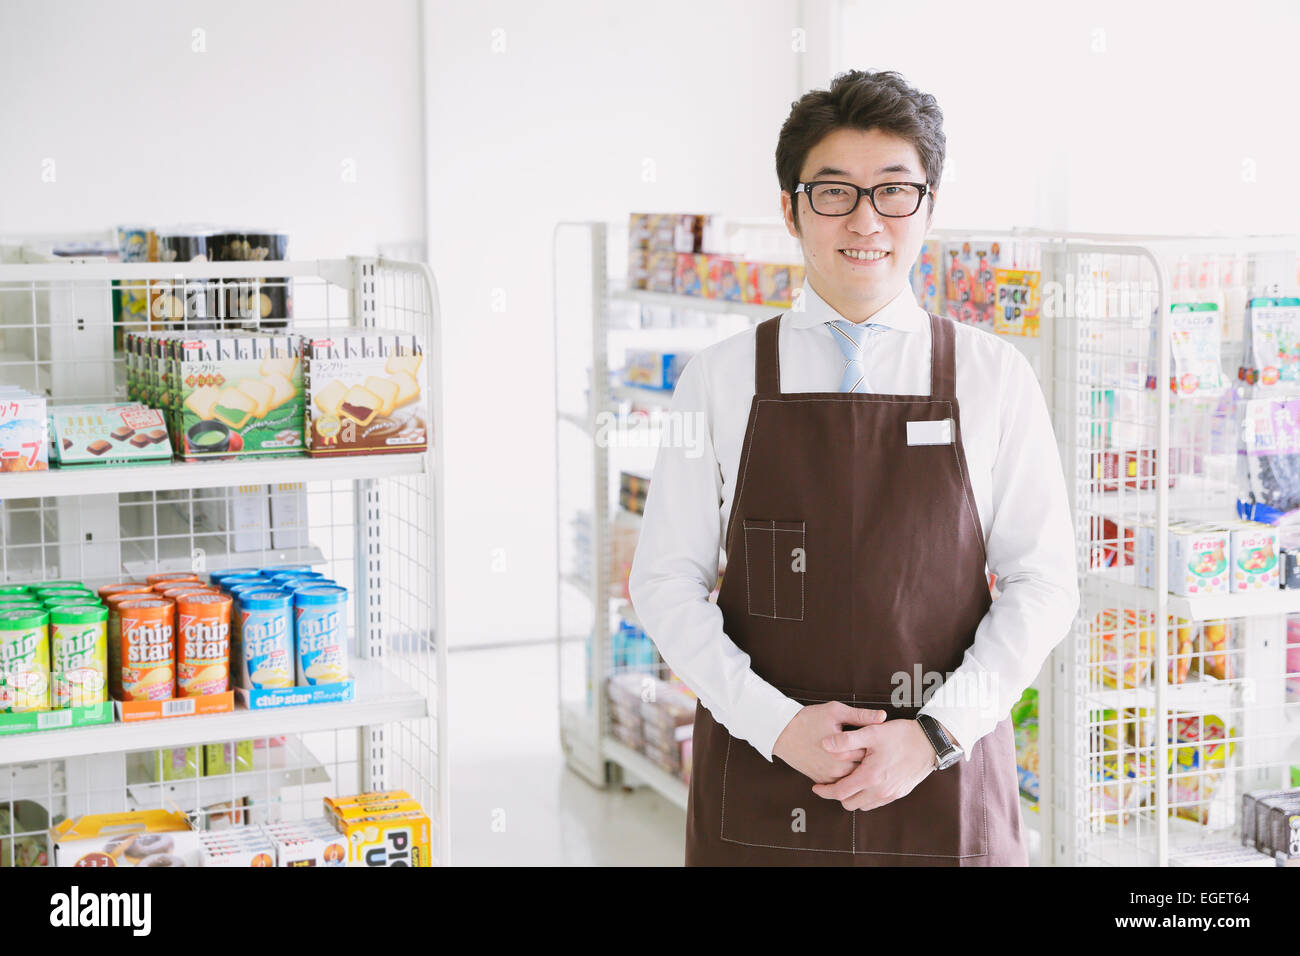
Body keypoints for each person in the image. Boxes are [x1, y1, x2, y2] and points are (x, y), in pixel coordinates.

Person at [627, 69, 1078, 866]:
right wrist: (776, 723)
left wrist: (934, 733)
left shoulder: (994, 377)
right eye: (834, 191)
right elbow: (665, 581)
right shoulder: (721, 380)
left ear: (928, 208)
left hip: (946, 778)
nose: (866, 219)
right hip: (768, 775)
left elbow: (1043, 584)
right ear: (790, 210)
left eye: (894, 192)